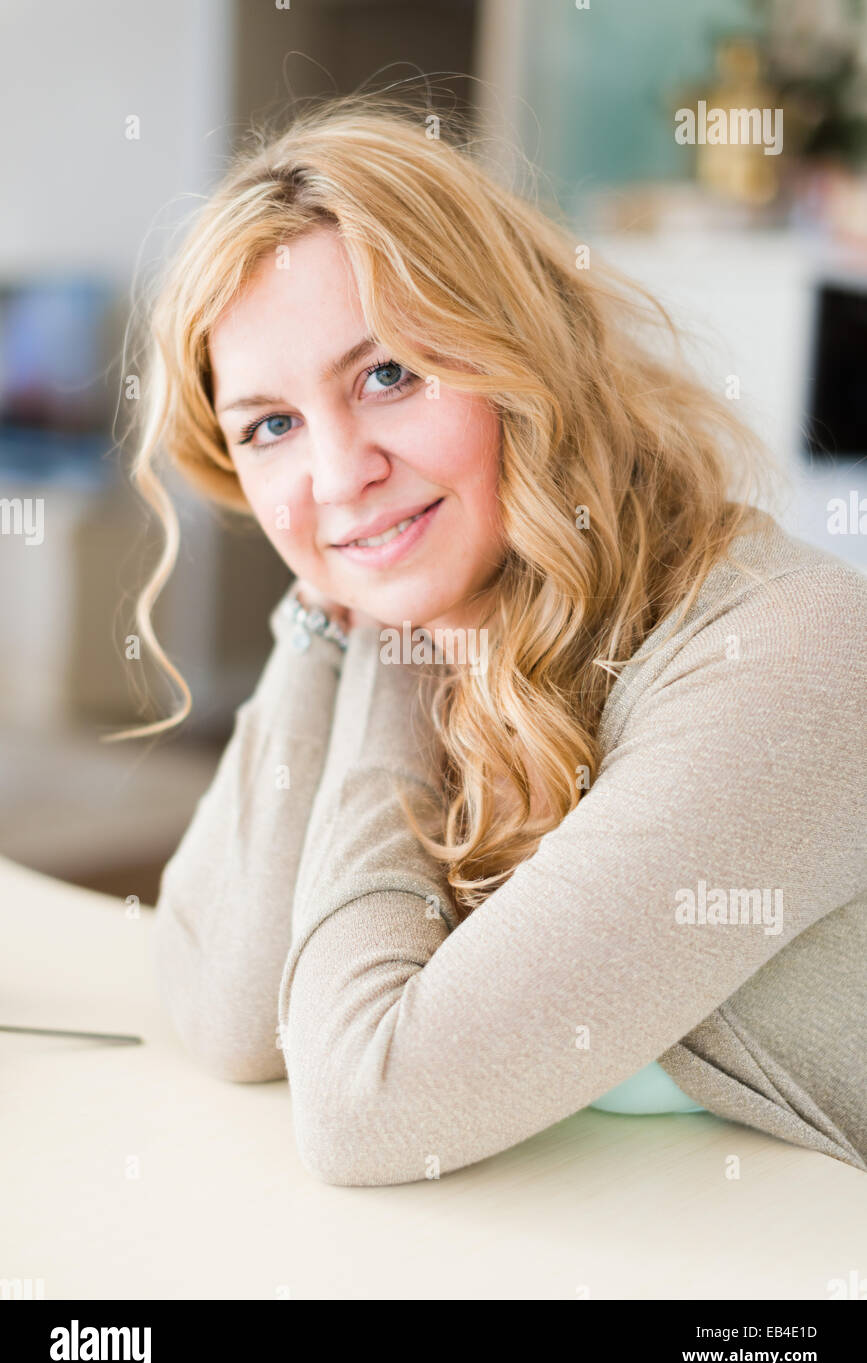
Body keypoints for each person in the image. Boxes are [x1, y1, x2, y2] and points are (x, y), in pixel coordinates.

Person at [114, 97, 867, 1186]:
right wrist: (345, 619)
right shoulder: (446, 619)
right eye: (270, 426)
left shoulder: (794, 653)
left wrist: (391, 631)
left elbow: (372, 1108)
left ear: (523, 356)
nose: (335, 477)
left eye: (389, 375)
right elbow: (232, 1007)